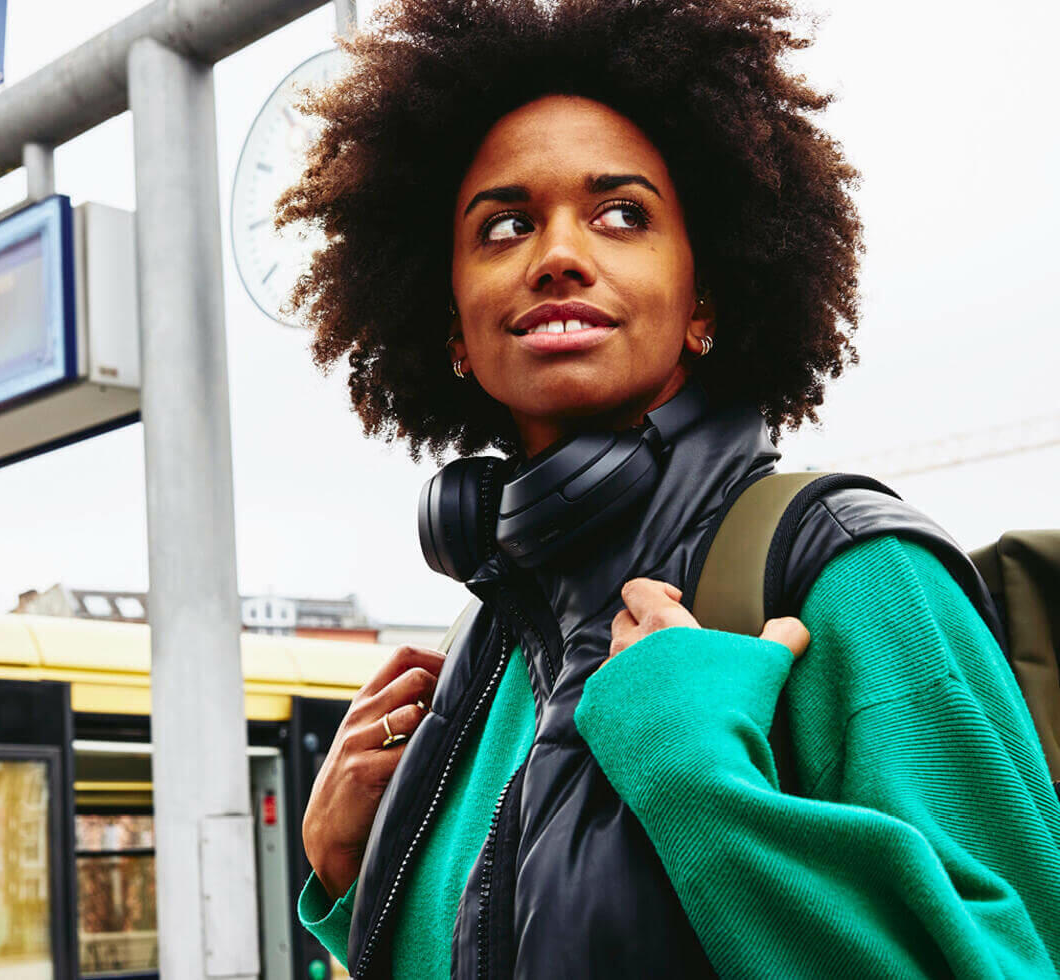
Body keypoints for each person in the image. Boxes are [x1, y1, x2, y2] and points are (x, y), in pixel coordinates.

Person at [275, 0, 1060, 976]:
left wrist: (700, 786)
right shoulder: (483, 654)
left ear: (703, 302)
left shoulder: (854, 577)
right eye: (506, 223)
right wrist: (357, 879)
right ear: (452, 334)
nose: (558, 253)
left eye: (621, 214)